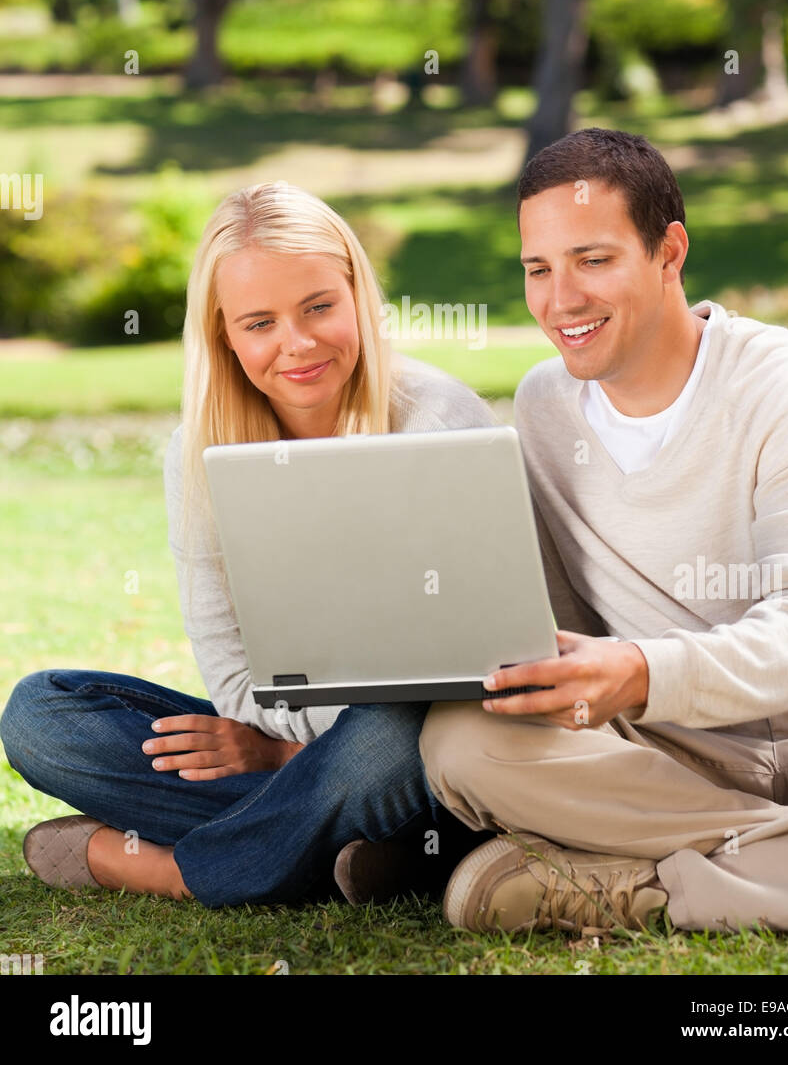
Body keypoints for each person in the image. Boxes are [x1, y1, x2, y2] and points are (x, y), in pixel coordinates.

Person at [420, 127, 788, 937]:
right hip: (672, 754)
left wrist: (639, 671)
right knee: (461, 743)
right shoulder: (544, 407)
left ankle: (652, 887)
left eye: (593, 260)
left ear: (670, 252)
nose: (561, 301)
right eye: (538, 270)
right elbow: (560, 634)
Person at [1, 181, 494, 907]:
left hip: (419, 741)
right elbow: (232, 679)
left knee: (395, 734)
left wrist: (287, 755)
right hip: (281, 737)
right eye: (259, 322)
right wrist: (284, 751)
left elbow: (478, 663)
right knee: (41, 717)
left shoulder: (441, 422)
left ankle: (181, 868)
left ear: (359, 297)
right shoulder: (199, 452)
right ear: (224, 334)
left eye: (320, 307)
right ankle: (371, 853)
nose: (296, 343)